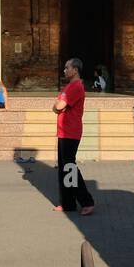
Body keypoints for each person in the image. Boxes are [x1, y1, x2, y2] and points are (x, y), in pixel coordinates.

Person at [52, 57, 95, 215]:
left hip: (71, 131)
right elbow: (57, 106)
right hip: (64, 131)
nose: (64, 70)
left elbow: (59, 105)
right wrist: (58, 106)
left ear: (75, 70)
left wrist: (58, 106)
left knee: (70, 168)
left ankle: (87, 201)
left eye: (67, 68)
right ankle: (68, 203)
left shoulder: (76, 87)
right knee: (64, 168)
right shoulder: (68, 86)